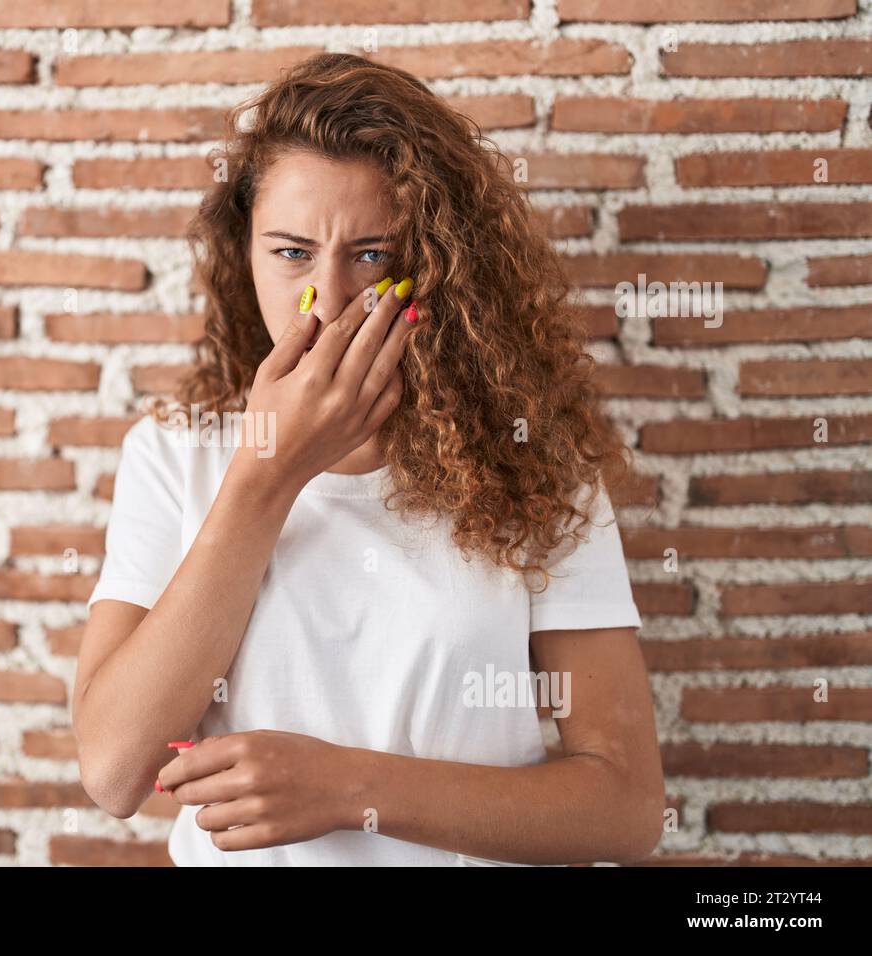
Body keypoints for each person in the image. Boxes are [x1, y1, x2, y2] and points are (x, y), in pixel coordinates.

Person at [72, 51, 664, 866]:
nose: (329, 298)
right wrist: (270, 472)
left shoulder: (538, 465)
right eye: (291, 253)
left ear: (436, 266)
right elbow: (111, 771)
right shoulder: (174, 454)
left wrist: (350, 788)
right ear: (244, 258)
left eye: (374, 254)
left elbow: (625, 807)